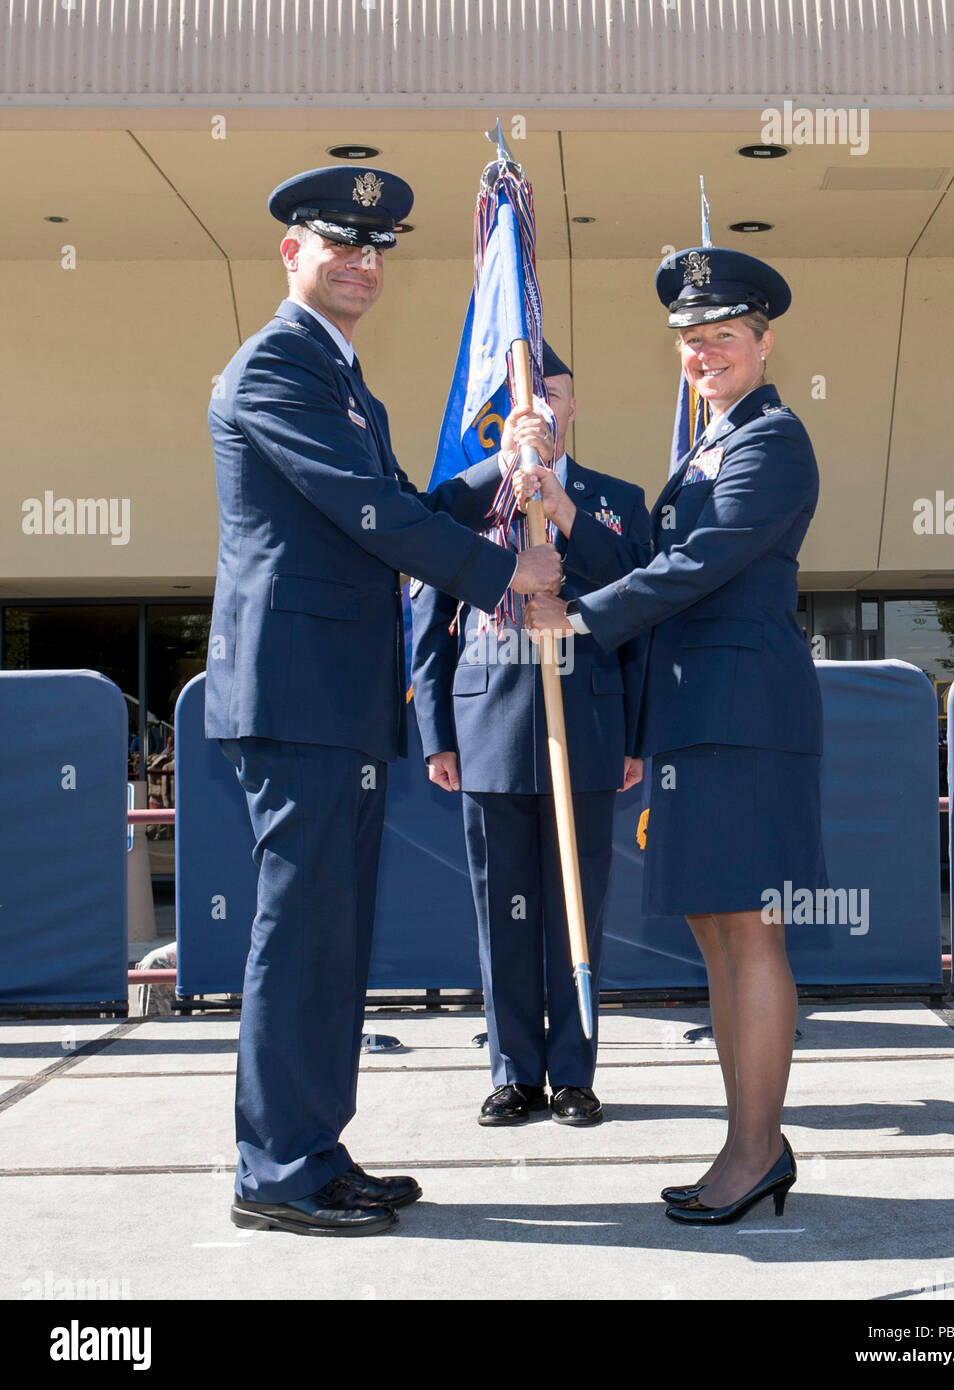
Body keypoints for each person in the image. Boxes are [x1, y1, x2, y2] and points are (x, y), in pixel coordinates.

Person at [205, 166, 562, 1237]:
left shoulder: (343, 376)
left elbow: (401, 502)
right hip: (295, 696)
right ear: (290, 253)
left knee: (330, 936)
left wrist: (503, 473)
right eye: (338, 242)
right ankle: (275, 1168)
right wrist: (505, 575)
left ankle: (314, 1147)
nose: (361, 261)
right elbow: (365, 511)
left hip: (337, 697)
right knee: (299, 932)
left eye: (376, 248)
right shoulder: (276, 365)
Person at [522, 246, 827, 1226]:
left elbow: (699, 563)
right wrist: (555, 496)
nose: (703, 354)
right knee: (713, 932)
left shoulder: (768, 442)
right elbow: (652, 556)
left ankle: (754, 1152)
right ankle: (745, 1144)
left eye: (721, 337)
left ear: (763, 341)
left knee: (749, 929)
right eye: (690, 342)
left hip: (741, 717)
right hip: (696, 714)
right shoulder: (706, 445)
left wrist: (578, 619)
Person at [410, 346, 649, 1127]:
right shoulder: (459, 500)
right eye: (524, 393)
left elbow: (640, 603)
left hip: (585, 723)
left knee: (577, 907)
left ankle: (575, 1074)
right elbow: (428, 621)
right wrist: (436, 732)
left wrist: (636, 736)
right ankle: (514, 1072)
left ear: (573, 404)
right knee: (505, 909)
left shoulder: (616, 501)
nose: (539, 403)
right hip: (489, 726)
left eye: (552, 390)